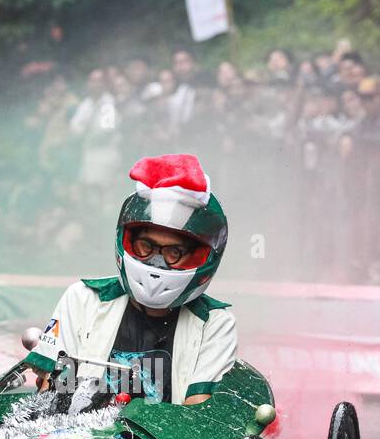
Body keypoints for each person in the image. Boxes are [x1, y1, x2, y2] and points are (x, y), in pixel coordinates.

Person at [24, 153, 235, 406]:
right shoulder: (83, 299)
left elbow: (198, 416)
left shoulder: (214, 323)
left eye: (173, 253)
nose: (156, 262)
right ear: (129, 241)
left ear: (198, 256)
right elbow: (54, 392)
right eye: (146, 246)